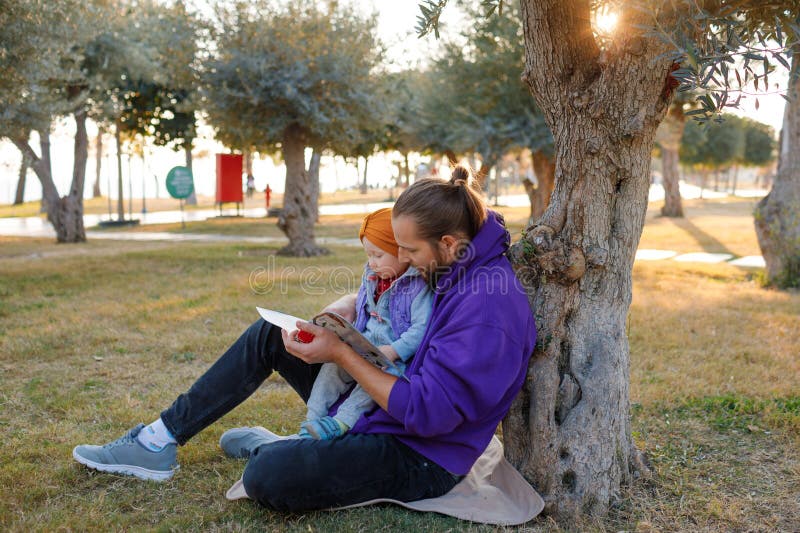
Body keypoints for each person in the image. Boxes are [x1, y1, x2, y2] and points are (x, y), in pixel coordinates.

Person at [72, 165, 537, 512]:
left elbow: (427, 414)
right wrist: (346, 309)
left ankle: (279, 449)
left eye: (411, 251)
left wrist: (340, 353)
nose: (408, 261)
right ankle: (158, 440)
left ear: (451, 243)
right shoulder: (455, 262)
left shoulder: (487, 309)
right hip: (383, 403)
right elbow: (397, 293)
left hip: (420, 453)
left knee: (266, 476)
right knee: (276, 333)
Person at [300, 207, 432, 440]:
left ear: (400, 250)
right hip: (364, 343)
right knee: (331, 369)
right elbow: (364, 306)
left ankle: (340, 422)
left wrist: (393, 351)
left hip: (393, 355)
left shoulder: (417, 286)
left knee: (368, 386)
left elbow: (421, 329)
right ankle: (312, 418)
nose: (372, 263)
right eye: (368, 255)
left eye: (378, 255)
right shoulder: (372, 275)